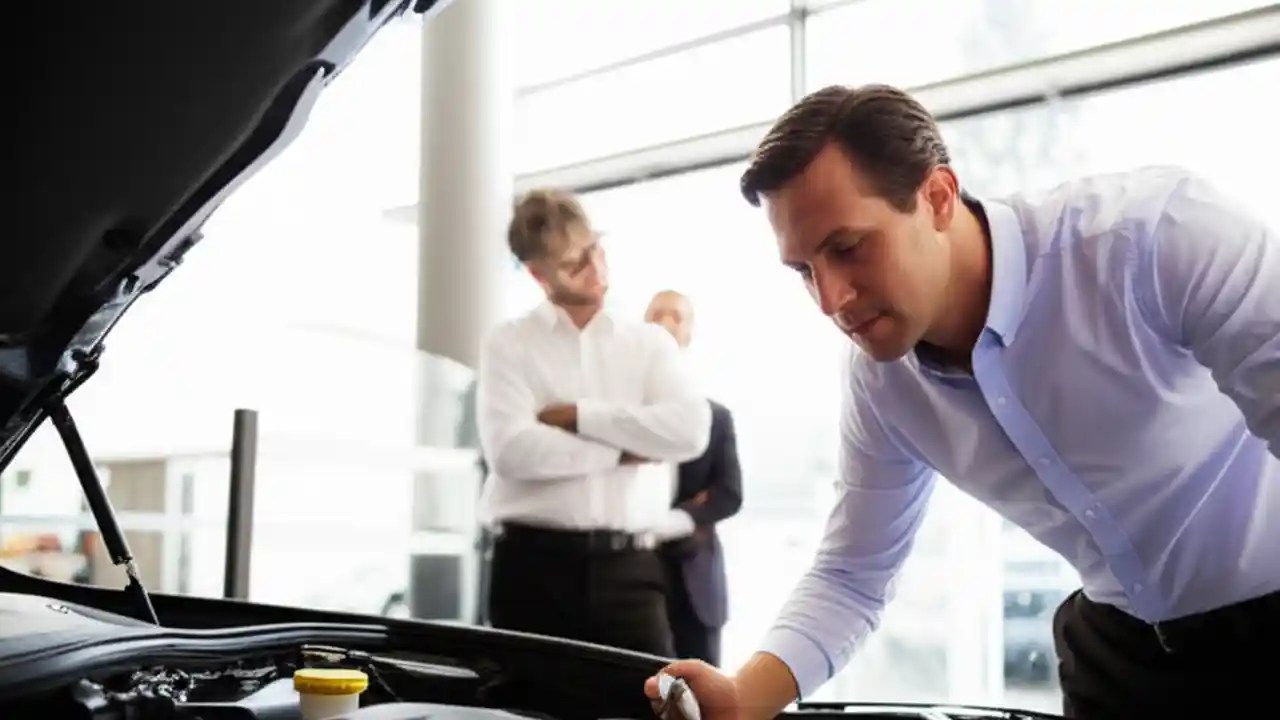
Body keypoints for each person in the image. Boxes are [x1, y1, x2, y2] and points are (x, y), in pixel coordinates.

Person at [643, 83, 1280, 719]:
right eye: (804, 270)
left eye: (847, 248)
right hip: (1116, 657)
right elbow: (853, 573)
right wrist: (742, 701)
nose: (832, 298)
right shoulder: (881, 381)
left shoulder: (1152, 238)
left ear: (938, 197)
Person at [476, 188, 711, 657]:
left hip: (630, 570)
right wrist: (625, 449)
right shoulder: (509, 343)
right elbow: (511, 451)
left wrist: (581, 416)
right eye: (573, 264)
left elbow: (689, 431)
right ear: (539, 275)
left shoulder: (648, 343)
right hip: (529, 568)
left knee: (649, 707)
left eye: (594, 249)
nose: (596, 269)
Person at [644, 289, 744, 667]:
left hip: (696, 583)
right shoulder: (621, 416)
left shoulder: (715, 417)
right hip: (633, 579)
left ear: (690, 332)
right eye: (658, 314)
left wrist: (679, 518)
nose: (667, 323)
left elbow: (729, 494)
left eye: (677, 316)